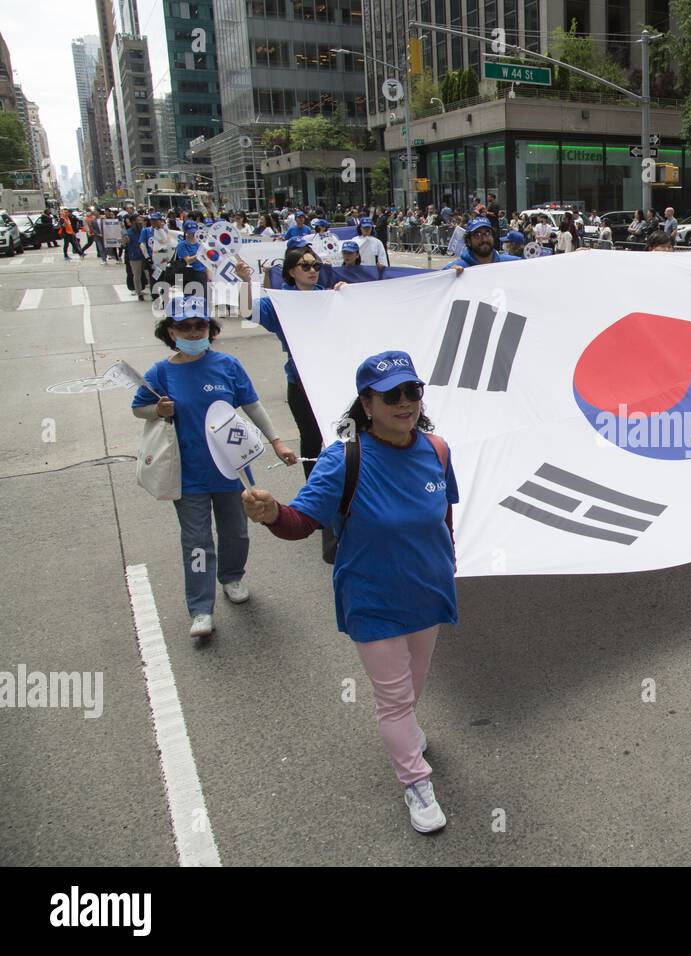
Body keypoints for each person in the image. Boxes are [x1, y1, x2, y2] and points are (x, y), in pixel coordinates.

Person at [242, 351, 459, 833]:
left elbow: (443, 517)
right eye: (392, 395)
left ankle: (407, 736)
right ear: (366, 402)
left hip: (427, 594)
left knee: (413, 686)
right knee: (395, 699)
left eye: (412, 392)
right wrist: (273, 512)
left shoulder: (438, 449)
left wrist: (450, 565)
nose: (405, 403)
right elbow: (302, 522)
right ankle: (415, 782)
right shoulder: (344, 459)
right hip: (372, 600)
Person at [131, 296, 297, 638]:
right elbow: (139, 408)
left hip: (232, 469)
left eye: (200, 325)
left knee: (236, 531)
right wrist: (157, 411)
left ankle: (232, 577)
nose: (194, 332)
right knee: (196, 541)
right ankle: (200, 608)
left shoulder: (228, 365)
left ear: (211, 328)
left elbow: (252, 405)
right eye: (185, 327)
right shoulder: (159, 373)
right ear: (170, 332)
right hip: (188, 474)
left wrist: (277, 441)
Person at [235, 247, 348, 558]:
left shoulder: (330, 295)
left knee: (340, 444)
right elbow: (248, 312)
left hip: (335, 383)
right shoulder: (279, 303)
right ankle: (317, 505)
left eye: (315, 265)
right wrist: (245, 282)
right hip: (302, 386)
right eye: (304, 265)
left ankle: (341, 501)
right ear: (291, 272)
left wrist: (345, 295)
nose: (312, 270)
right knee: (313, 444)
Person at [444, 217, 522, 272]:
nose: (484, 239)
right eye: (478, 235)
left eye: (487, 233)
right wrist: (448, 277)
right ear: (468, 241)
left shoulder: (511, 263)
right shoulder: (456, 268)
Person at [173, 220, 209, 298]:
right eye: (190, 232)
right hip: (189, 275)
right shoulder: (182, 245)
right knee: (190, 300)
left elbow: (206, 261)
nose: (192, 234)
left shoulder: (201, 243)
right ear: (185, 232)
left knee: (204, 299)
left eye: (194, 232)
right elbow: (188, 260)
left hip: (201, 274)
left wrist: (209, 276)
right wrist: (200, 253)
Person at [125, 212, 148, 301]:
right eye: (138, 220)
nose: (140, 221)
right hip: (135, 256)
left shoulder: (144, 230)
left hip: (146, 256)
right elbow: (125, 243)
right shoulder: (129, 233)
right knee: (137, 275)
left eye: (140, 220)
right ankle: (139, 293)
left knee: (148, 274)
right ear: (133, 222)